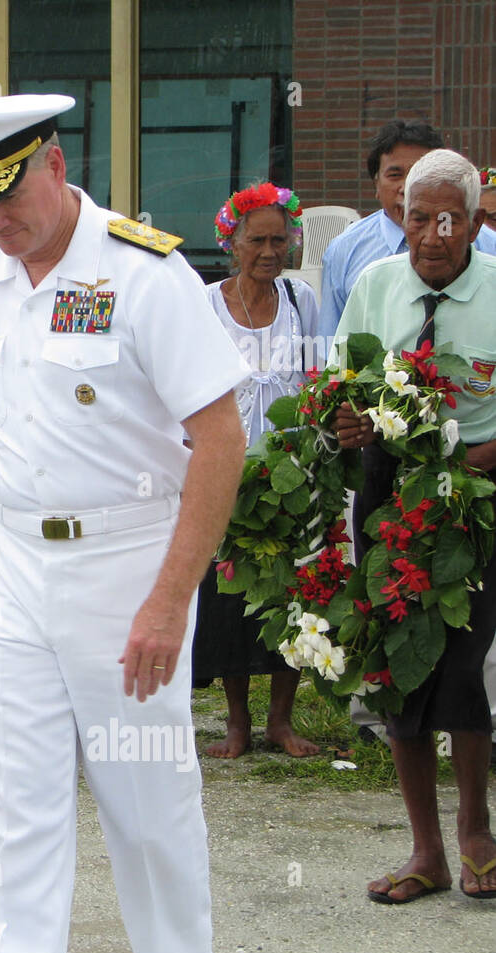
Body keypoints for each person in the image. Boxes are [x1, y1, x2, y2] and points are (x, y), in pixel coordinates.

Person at [0, 95, 249, 953]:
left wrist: (171, 601)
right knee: (19, 812)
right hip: (15, 562)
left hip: (126, 565)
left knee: (147, 811)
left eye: (8, 195)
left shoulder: (144, 273)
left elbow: (220, 438)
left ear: (56, 166)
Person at [331, 149, 496, 903]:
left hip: (478, 494)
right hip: (390, 491)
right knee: (397, 663)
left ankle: (476, 833)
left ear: (476, 221)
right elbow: (340, 387)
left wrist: (478, 454)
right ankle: (424, 850)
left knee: (461, 665)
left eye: (450, 219)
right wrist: (348, 424)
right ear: (398, 218)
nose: (433, 233)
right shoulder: (373, 286)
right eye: (417, 217)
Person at [193, 183, 320, 759]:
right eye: (257, 241)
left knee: (293, 597)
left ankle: (281, 721)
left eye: (280, 240)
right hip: (227, 474)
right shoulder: (205, 304)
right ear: (232, 243)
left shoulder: (301, 301)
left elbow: (318, 378)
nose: (270, 251)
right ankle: (238, 723)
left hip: (293, 474)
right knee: (229, 600)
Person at [318, 120, 496, 340]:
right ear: (376, 184)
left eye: (420, 174)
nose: (406, 187)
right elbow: (332, 349)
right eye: (395, 175)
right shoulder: (347, 253)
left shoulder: (489, 245)